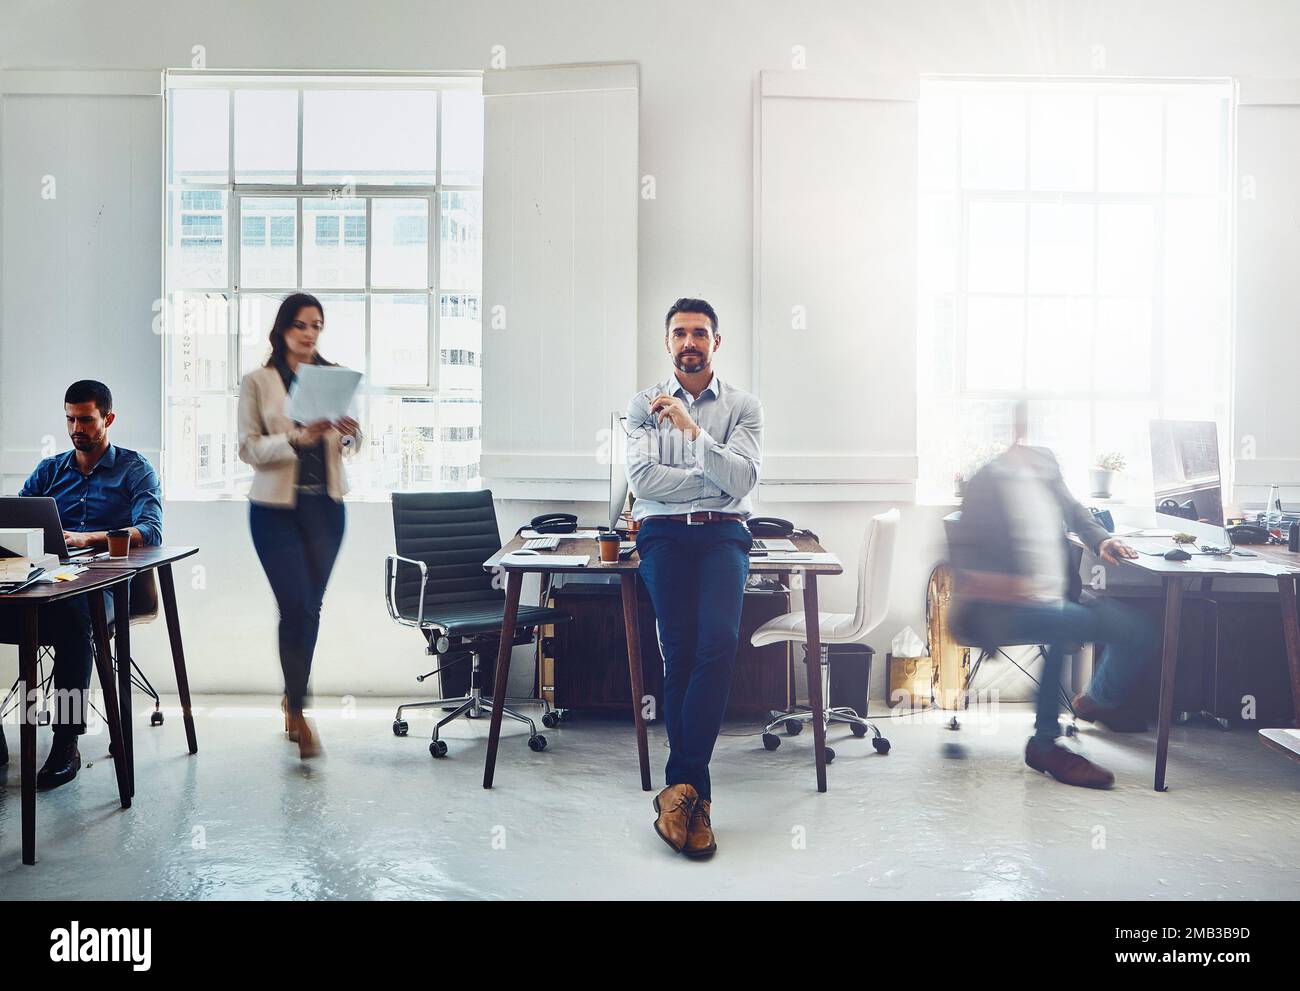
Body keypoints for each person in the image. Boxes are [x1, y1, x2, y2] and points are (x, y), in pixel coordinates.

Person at [947, 404, 1159, 789]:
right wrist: (1010, 587)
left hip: (1056, 597)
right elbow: (964, 565)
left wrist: (1103, 538)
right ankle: (1046, 743)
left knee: (1137, 631)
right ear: (1010, 431)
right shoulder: (984, 484)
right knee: (1063, 627)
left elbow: (1077, 512)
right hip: (1000, 610)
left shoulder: (1046, 463)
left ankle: (1094, 700)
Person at [626, 297, 763, 859]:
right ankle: (695, 800)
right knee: (678, 649)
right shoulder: (641, 405)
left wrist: (691, 434)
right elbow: (642, 481)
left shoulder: (743, 406)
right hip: (662, 537)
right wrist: (712, 474)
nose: (690, 342)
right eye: (680, 333)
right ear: (667, 342)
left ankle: (680, 789)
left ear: (716, 342)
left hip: (723, 536)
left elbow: (745, 479)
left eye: (700, 333)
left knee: (718, 643)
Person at [0, 380, 162, 787]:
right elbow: (16, 522)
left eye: (86, 420)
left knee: (76, 618)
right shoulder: (49, 470)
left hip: (106, 588)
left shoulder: (134, 469)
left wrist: (88, 539)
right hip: (45, 582)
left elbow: (151, 530)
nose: (77, 428)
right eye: (70, 419)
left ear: (108, 419)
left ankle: (65, 743)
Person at [237, 293, 361, 759]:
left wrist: (346, 432)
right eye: (301, 325)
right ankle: (299, 710)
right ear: (282, 329)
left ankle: (292, 698)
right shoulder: (258, 381)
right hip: (274, 512)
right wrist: (298, 437)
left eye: (317, 326)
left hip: (325, 509)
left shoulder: (333, 377)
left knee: (310, 607)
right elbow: (248, 449)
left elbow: (352, 442)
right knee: (295, 604)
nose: (309, 334)